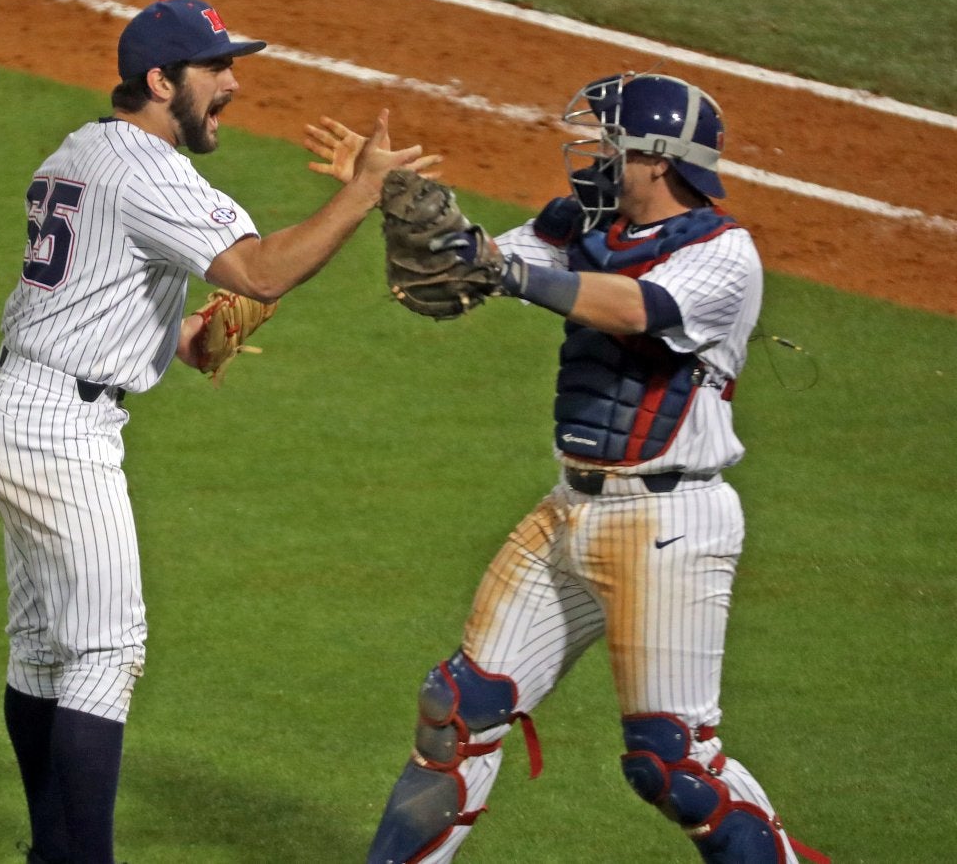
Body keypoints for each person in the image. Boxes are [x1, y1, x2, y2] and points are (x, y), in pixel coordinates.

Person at [313, 72, 825, 863]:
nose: (590, 156)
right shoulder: (582, 223)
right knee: (457, 707)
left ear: (658, 159)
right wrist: (390, 195)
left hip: (669, 524)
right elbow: (473, 268)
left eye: (608, 143)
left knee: (671, 761)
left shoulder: (723, 254)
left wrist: (511, 272)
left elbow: (634, 309)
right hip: (570, 509)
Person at [0, 0, 433, 864]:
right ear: (159, 80)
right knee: (107, 652)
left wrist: (192, 337)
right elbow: (258, 269)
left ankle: (51, 854)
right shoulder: (150, 171)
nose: (234, 83)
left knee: (42, 651)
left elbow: (121, 304)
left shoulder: (79, 150)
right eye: (215, 69)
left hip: (14, 406)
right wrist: (363, 194)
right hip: (59, 434)